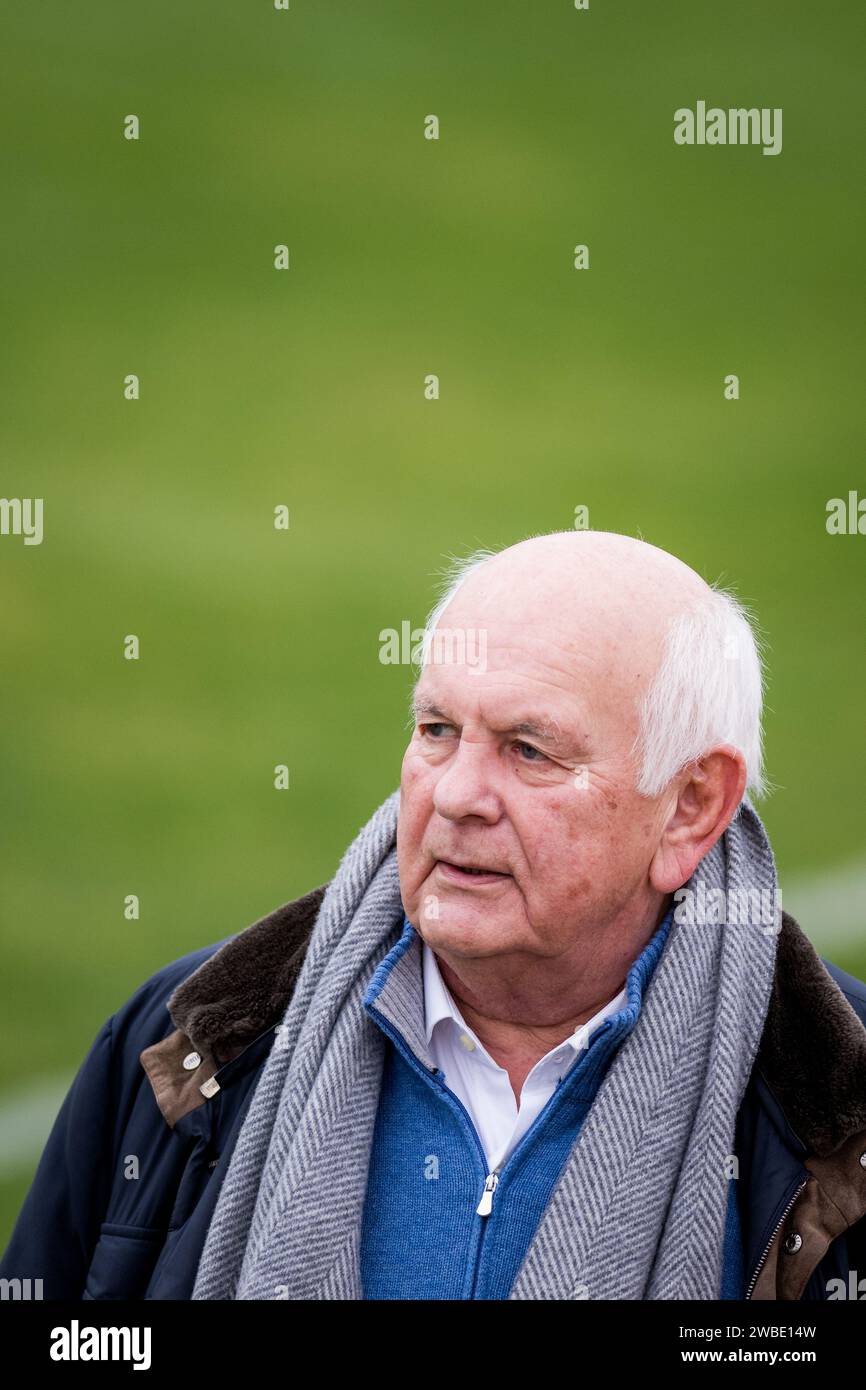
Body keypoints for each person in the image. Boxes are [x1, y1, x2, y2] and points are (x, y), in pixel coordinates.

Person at [2, 529, 865, 1300]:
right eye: (438, 729)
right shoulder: (189, 1038)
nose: (454, 796)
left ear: (689, 805)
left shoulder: (842, 1111)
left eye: (529, 750)